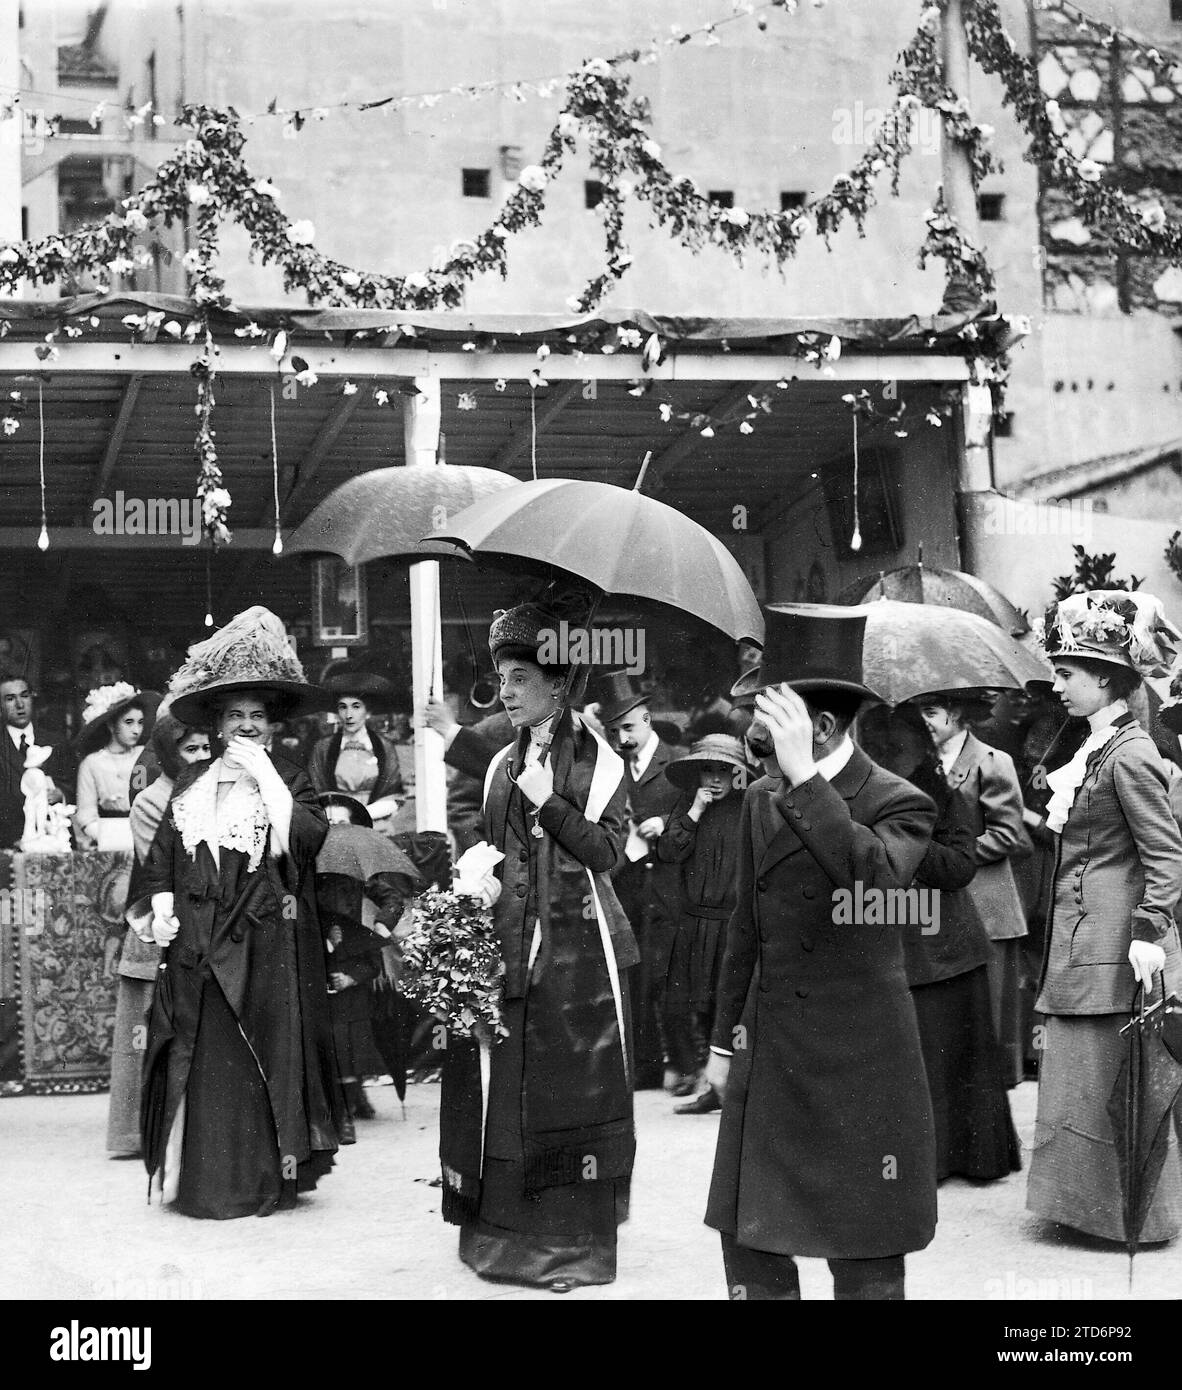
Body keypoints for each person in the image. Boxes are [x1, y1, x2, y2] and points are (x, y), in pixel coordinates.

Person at [703, 605, 938, 1301]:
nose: (749, 735)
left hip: (860, 1063)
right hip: (770, 1049)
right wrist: (721, 1046)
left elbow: (875, 886)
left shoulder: (903, 803)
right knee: (748, 1234)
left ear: (821, 728)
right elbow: (744, 929)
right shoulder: (759, 800)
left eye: (765, 718)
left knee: (865, 1246)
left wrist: (806, 781)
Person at [435, 601, 637, 1292]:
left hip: (578, 961)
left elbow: (609, 851)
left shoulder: (601, 763)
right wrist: (476, 883)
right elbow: (493, 844)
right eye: (501, 678)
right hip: (510, 945)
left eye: (520, 677)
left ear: (559, 684)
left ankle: (570, 1254)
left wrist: (551, 802)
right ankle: (503, 1243)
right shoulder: (498, 764)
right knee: (506, 1095)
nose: (506, 692)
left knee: (566, 1095)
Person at [126, 606, 340, 1219]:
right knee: (203, 1053)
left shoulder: (292, 778)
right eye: (235, 715)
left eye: (257, 716)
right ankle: (201, 1182)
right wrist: (161, 906)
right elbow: (163, 852)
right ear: (216, 722)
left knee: (255, 1055)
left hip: (261, 939)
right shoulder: (190, 781)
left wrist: (268, 779)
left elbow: (304, 841)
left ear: (271, 726)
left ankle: (257, 1182)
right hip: (194, 939)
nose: (246, 726)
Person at [1026, 591, 1182, 1243]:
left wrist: (1151, 930)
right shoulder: (1099, 748)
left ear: (1107, 679)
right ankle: (1084, 1211)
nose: (1058, 684)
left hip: (1116, 946)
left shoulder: (1131, 754)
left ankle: (1131, 1218)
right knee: (1080, 1077)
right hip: (1081, 942)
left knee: (1110, 1081)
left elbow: (1166, 852)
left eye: (1068, 673)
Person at [869, 705, 1021, 1183]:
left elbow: (959, 868)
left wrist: (907, 840)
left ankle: (959, 1159)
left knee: (948, 1055)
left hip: (944, 946)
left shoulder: (939, 795)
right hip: (892, 940)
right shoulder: (857, 797)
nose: (895, 757)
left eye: (902, 748)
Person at [106, 712, 210, 1158]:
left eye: (207, 748)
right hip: (157, 923)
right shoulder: (152, 800)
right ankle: (135, 1133)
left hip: (197, 921)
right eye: (190, 749)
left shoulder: (207, 790)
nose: (201, 757)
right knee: (144, 1030)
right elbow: (164, 866)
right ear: (168, 753)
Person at [916, 691, 1031, 1086]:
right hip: (940, 899)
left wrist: (948, 856)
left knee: (990, 1012)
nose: (924, 721)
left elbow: (1006, 834)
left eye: (931, 712)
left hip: (987, 903)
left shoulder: (992, 762)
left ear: (957, 714)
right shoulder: (920, 764)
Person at [314, 791, 424, 1137]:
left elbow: (390, 899)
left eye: (342, 823)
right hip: (314, 948)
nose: (334, 829)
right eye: (328, 822)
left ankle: (349, 1103)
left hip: (350, 950)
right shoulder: (305, 864)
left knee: (347, 1031)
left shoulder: (356, 870)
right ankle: (334, 1104)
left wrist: (379, 927)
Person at [595, 670, 683, 1091]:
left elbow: (703, 816)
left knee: (668, 975)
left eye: (629, 727)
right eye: (614, 731)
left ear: (647, 720)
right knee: (634, 972)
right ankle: (645, 1068)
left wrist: (666, 822)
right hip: (628, 883)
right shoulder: (611, 768)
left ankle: (686, 1063)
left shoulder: (680, 762)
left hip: (669, 881)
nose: (622, 738)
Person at [656, 733, 749, 1110]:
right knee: (682, 1002)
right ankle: (696, 1076)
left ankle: (726, 1088)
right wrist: (694, 812)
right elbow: (668, 851)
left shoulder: (747, 807)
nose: (714, 779)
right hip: (693, 924)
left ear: (736, 774)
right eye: (707, 771)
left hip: (730, 924)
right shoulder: (688, 806)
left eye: (723, 771)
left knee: (723, 1008)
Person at [308, 670, 405, 824]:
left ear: (368, 712)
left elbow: (393, 794)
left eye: (356, 706)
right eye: (342, 707)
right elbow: (316, 792)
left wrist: (363, 814)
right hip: (336, 822)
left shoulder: (384, 747)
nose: (349, 715)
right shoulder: (323, 748)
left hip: (376, 822)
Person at [73, 684, 161, 852]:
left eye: (140, 723)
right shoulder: (92, 763)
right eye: (129, 722)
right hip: (108, 837)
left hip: (148, 834)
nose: (136, 730)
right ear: (112, 725)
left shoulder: (145, 756)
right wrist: (108, 837)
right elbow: (85, 814)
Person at [0, 672, 73, 849]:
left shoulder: (56, 741)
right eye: (10, 699)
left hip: (54, 839)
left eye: (24, 696)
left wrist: (61, 794)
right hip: (9, 843)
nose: (19, 704)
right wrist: (12, 840)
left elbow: (74, 784)